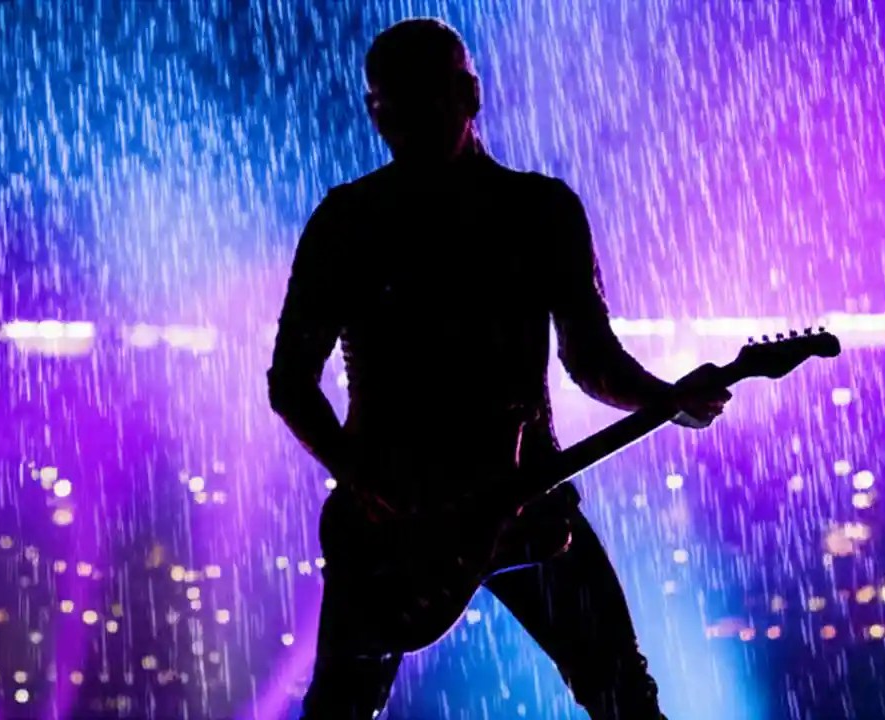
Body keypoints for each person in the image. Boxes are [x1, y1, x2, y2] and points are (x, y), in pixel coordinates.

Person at [267, 18, 730, 719]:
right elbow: (290, 383)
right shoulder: (376, 220)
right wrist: (362, 476)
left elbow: (589, 358)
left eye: (423, 102)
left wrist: (666, 398)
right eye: (397, 106)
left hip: (500, 504)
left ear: (467, 96)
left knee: (618, 693)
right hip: (477, 504)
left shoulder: (376, 218)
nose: (408, 122)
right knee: (620, 695)